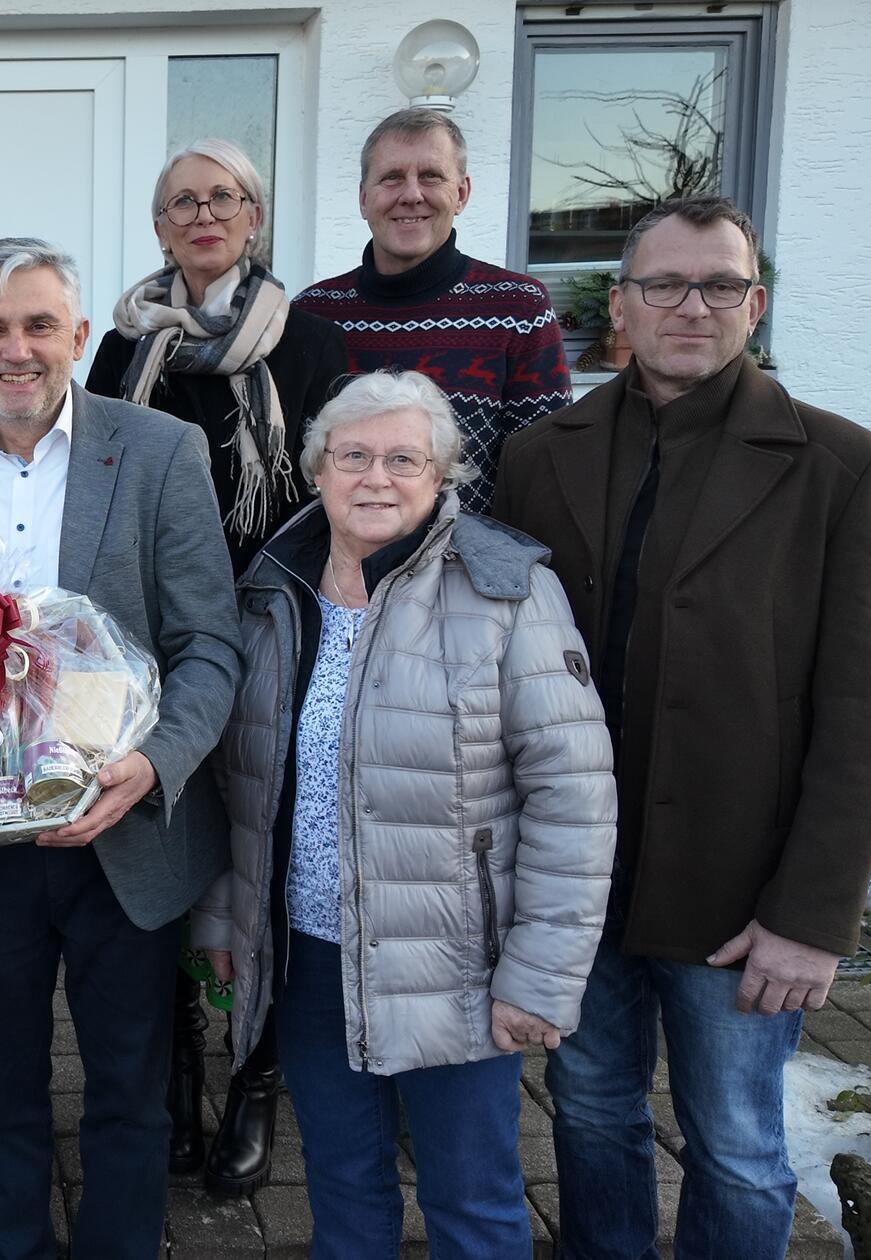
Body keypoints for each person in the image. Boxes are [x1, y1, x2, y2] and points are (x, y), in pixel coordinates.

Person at [490, 196, 871, 1260]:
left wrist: (811, 917)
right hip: (576, 882)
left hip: (738, 896)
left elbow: (865, 708)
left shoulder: (842, 468)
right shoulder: (542, 456)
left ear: (753, 305)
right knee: (587, 1114)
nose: (692, 306)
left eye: (718, 285)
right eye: (663, 284)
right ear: (618, 308)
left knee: (732, 1145)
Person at [199, 369, 617, 1256]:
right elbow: (238, 784)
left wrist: (540, 975)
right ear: (318, 469)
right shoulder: (271, 592)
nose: (376, 478)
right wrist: (223, 919)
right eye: (353, 456)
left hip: (453, 962)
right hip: (306, 951)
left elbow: (573, 798)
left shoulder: (507, 592)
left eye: (403, 459)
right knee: (342, 1187)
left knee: (472, 1201)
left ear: (443, 479)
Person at [0, 239, 242, 1259]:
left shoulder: (162, 450)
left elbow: (208, 643)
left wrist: (154, 765)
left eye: (39, 325)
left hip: (122, 834)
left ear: (78, 337)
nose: (17, 348)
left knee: (128, 1090)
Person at [84, 136, 348, 1192]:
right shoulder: (118, 349)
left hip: (274, 626)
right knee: (177, 850)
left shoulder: (309, 343)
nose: (202, 215)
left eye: (223, 199)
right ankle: (179, 1068)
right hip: (152, 644)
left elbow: (336, 497)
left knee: (258, 851)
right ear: (158, 226)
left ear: (252, 218)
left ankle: (253, 1074)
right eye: (182, 202)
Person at [293, 108, 570, 513]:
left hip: (466, 566)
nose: (411, 194)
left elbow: (543, 472)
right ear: (363, 198)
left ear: (461, 193)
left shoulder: (518, 308)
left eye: (431, 176)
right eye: (391, 177)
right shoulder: (313, 314)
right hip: (337, 567)